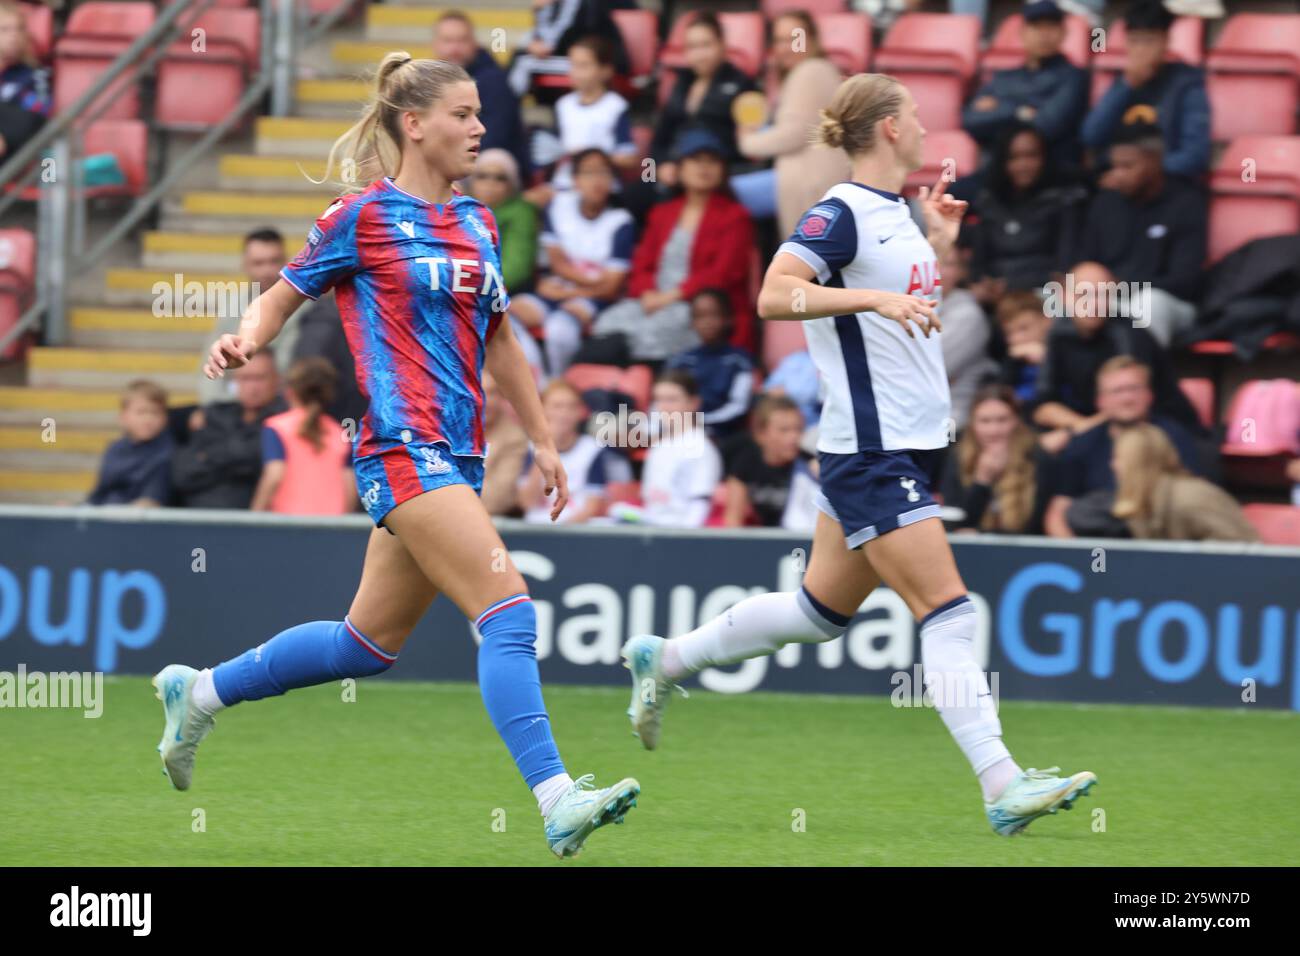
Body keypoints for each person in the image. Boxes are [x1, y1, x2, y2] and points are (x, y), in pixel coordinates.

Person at [151, 55, 639, 860]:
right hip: (401, 449)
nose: (480, 127)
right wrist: (245, 337)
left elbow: (502, 339)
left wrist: (546, 440)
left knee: (364, 646)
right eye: (462, 113)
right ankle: (556, 798)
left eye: (480, 113)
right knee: (509, 612)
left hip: (463, 455)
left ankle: (196, 692)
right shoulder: (360, 216)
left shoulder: (479, 222)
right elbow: (282, 293)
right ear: (414, 124)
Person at [618, 72, 1096, 838]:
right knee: (948, 610)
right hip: (874, 452)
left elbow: (900, 308)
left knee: (817, 614)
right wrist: (873, 298)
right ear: (888, 130)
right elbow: (776, 293)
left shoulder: (901, 214)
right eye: (914, 114)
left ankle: (665, 660)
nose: (927, 127)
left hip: (905, 442)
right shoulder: (838, 213)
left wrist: (937, 244)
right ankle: (1001, 783)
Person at [590, 129, 755, 359]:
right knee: (607, 324)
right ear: (679, 168)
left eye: (712, 161)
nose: (704, 168)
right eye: (696, 160)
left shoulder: (735, 216)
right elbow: (642, 263)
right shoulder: (662, 213)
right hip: (654, 299)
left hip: (700, 308)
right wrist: (647, 293)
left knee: (653, 332)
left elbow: (724, 273)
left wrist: (671, 297)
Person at [1030, 260, 1201, 441]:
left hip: (1156, 429)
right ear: (1064, 296)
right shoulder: (1059, 335)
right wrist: (1078, 427)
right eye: (1083, 294)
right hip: (1094, 427)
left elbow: (1131, 405)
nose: (1093, 303)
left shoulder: (1130, 335)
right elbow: (1043, 404)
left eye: (1102, 295)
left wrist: (1081, 432)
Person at [1042, 355, 1205, 538]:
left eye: (1134, 389)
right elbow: (1057, 513)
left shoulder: (1174, 437)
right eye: (1117, 391)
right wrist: (1078, 560)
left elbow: (1191, 501)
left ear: (1149, 395)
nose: (1127, 398)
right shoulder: (1083, 443)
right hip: (1096, 546)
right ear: (1100, 401)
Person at [1077, 122, 1206, 347]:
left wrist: (1124, 285)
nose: (1118, 175)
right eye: (1114, 166)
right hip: (1108, 299)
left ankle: (1140, 377)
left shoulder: (1186, 203)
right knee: (1053, 299)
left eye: (1127, 166)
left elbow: (1185, 282)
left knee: (1148, 303)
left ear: (1155, 161)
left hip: (1170, 304)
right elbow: (1086, 261)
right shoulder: (1105, 202)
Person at [512, 148, 634, 377]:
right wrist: (591, 281)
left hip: (593, 299)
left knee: (559, 329)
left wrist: (572, 292)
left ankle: (562, 383)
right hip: (562, 287)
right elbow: (559, 265)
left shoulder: (621, 221)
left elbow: (611, 288)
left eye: (604, 173)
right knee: (503, 317)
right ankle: (539, 381)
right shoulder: (559, 207)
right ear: (575, 180)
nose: (597, 180)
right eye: (588, 173)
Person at [733, 10, 848, 236]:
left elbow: (793, 134)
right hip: (809, 183)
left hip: (810, 186)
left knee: (720, 195)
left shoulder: (810, 70)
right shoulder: (814, 71)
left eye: (795, 39)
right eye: (779, 40)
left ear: (813, 40)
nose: (786, 47)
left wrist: (747, 140)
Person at [1081, 0, 1211, 181]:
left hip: (1168, 183)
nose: (1141, 50)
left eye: (1149, 41)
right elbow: (1091, 136)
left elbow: (1195, 155)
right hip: (1121, 182)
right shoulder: (1122, 82)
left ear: (1166, 41)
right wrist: (1126, 86)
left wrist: (1142, 173)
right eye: (1134, 41)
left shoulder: (1187, 84)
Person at [961, 1, 1089, 168]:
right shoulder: (1004, 77)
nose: (1044, 35)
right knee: (954, 190)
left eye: (1051, 27)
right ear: (1022, 33)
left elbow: (1047, 125)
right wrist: (1022, 111)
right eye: (1036, 27)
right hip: (999, 172)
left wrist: (1000, 108)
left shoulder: (1074, 77)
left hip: (1052, 171)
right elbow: (971, 121)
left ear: (1063, 33)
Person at [967, 122, 1086, 296]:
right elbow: (978, 267)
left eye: (1031, 156)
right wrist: (984, 286)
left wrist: (1013, 284)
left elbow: (1065, 270)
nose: (1023, 165)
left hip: (1046, 295)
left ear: (1044, 157)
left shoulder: (1066, 201)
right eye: (1014, 157)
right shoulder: (988, 202)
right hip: (996, 298)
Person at [649, 11, 756, 186]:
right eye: (692, 47)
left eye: (706, 45)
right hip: (675, 176)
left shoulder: (744, 85)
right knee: (636, 194)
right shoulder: (680, 83)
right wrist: (660, 166)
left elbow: (750, 145)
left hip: (718, 177)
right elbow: (660, 138)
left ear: (722, 45)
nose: (699, 54)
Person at [171, 350, 287, 509]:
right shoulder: (216, 414)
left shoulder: (287, 418)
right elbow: (183, 473)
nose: (252, 387)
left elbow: (259, 464)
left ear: (277, 380)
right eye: (245, 379)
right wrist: (239, 460)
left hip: (254, 520)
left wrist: (209, 456)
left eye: (260, 378)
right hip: (198, 516)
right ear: (235, 382)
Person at [609, 369, 722, 528]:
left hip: (679, 536)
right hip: (651, 531)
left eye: (672, 399)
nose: (664, 407)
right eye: (658, 399)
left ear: (694, 403)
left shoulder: (700, 448)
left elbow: (699, 509)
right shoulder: (659, 446)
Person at [1111, 423, 1257, 542]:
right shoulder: (1140, 504)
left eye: (1118, 458)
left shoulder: (1192, 499)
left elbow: (1240, 552)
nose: (1113, 465)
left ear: (1134, 464)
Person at [518, 380, 630, 524]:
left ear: (581, 412)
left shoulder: (592, 449)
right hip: (537, 526)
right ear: (542, 410)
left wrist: (561, 534)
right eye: (557, 406)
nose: (564, 413)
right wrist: (546, 448)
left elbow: (592, 506)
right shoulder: (532, 448)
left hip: (577, 529)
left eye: (572, 407)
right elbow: (526, 502)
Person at [940, 385, 1048, 534]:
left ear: (1016, 420)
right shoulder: (958, 456)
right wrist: (981, 481)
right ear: (973, 424)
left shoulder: (1037, 456)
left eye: (1002, 420)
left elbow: (1038, 523)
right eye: (985, 421)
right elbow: (954, 522)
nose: (994, 431)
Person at [250, 357, 353, 515]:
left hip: (287, 526)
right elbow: (350, 483)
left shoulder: (276, 427)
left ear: (290, 392)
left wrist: (255, 514)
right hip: (331, 526)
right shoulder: (341, 432)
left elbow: (275, 473)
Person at [432, 11, 528, 176]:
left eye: (461, 40)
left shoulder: (494, 81)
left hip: (490, 168)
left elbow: (494, 138)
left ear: (474, 43)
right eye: (448, 41)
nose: (454, 49)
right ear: (435, 44)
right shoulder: (432, 80)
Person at [664, 288, 755, 439]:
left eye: (713, 315)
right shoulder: (681, 360)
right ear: (692, 322)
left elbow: (739, 406)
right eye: (700, 316)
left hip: (722, 435)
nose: (707, 322)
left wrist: (701, 422)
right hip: (678, 429)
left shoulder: (739, 360)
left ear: (727, 319)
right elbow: (664, 397)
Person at [723, 394, 818, 531]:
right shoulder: (746, 462)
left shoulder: (810, 465)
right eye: (784, 430)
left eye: (798, 429)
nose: (794, 437)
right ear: (760, 434)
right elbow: (733, 519)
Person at [936, 245, 996, 432]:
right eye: (932, 262)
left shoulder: (968, 314)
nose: (938, 270)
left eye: (948, 264)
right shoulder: (903, 304)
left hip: (952, 420)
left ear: (961, 272)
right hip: (910, 414)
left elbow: (932, 368)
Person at [86, 380, 174, 507]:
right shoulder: (115, 449)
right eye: (141, 412)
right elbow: (99, 494)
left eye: (155, 412)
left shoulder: (166, 453)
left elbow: (150, 502)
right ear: (123, 417)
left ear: (165, 418)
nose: (148, 419)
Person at [467, 148, 538, 295]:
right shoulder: (459, 208)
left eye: (500, 178)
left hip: (506, 295)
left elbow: (515, 267)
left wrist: (471, 289)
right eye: (482, 176)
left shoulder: (521, 213)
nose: (490, 183)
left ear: (512, 184)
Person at [0, 0, 50, 163]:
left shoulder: (35, 75)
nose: (14, 36)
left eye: (19, 29)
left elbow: (37, 116)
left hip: (15, 154)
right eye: (4, 30)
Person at [480, 370, 529, 516]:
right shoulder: (448, 432)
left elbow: (498, 498)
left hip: (495, 523)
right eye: (479, 392)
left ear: (502, 398)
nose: (486, 400)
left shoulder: (514, 438)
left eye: (492, 393)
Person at [993, 290, 1051, 403]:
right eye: (1009, 333)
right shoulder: (1013, 359)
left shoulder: (1065, 350)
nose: (1016, 339)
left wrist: (1047, 359)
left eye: (1023, 328)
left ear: (1046, 321)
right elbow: (1004, 393)